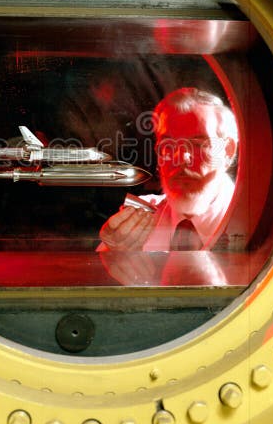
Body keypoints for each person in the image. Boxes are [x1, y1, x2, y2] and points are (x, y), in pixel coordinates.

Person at [98, 87, 238, 285]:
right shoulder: (141, 215)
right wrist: (109, 254)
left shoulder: (252, 219)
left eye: (198, 144)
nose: (181, 158)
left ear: (228, 151)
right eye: (168, 145)